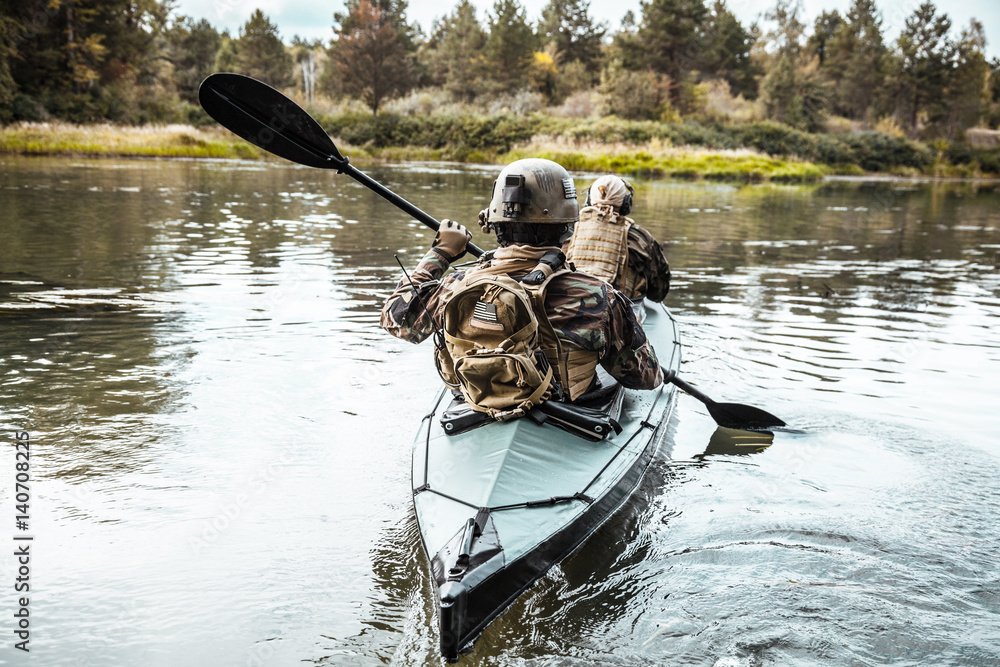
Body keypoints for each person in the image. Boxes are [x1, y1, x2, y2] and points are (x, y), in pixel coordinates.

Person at [381, 159, 662, 414]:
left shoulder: (456, 286)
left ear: (495, 224)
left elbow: (395, 319)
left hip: (477, 406)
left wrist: (440, 253)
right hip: (570, 412)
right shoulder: (599, 296)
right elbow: (645, 377)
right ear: (567, 227)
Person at [564, 175, 671, 302]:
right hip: (620, 312)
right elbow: (658, 292)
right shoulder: (640, 237)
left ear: (589, 200)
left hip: (570, 306)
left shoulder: (568, 231)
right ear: (626, 203)